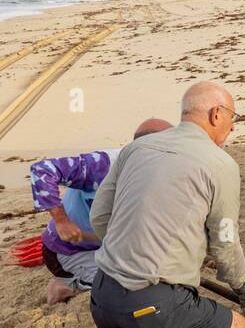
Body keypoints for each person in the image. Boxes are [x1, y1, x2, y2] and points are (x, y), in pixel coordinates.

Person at [51, 82, 245, 328]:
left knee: (161, 324)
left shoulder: (135, 150)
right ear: (215, 115)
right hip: (153, 305)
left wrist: (133, 249)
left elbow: (100, 217)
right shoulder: (221, 164)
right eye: (232, 118)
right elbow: (225, 244)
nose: (233, 126)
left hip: (103, 300)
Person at [30, 118, 172, 305]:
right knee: (124, 288)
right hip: (71, 250)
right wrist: (61, 220)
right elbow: (42, 170)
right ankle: (68, 285)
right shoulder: (103, 165)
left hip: (111, 246)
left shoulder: (164, 170)